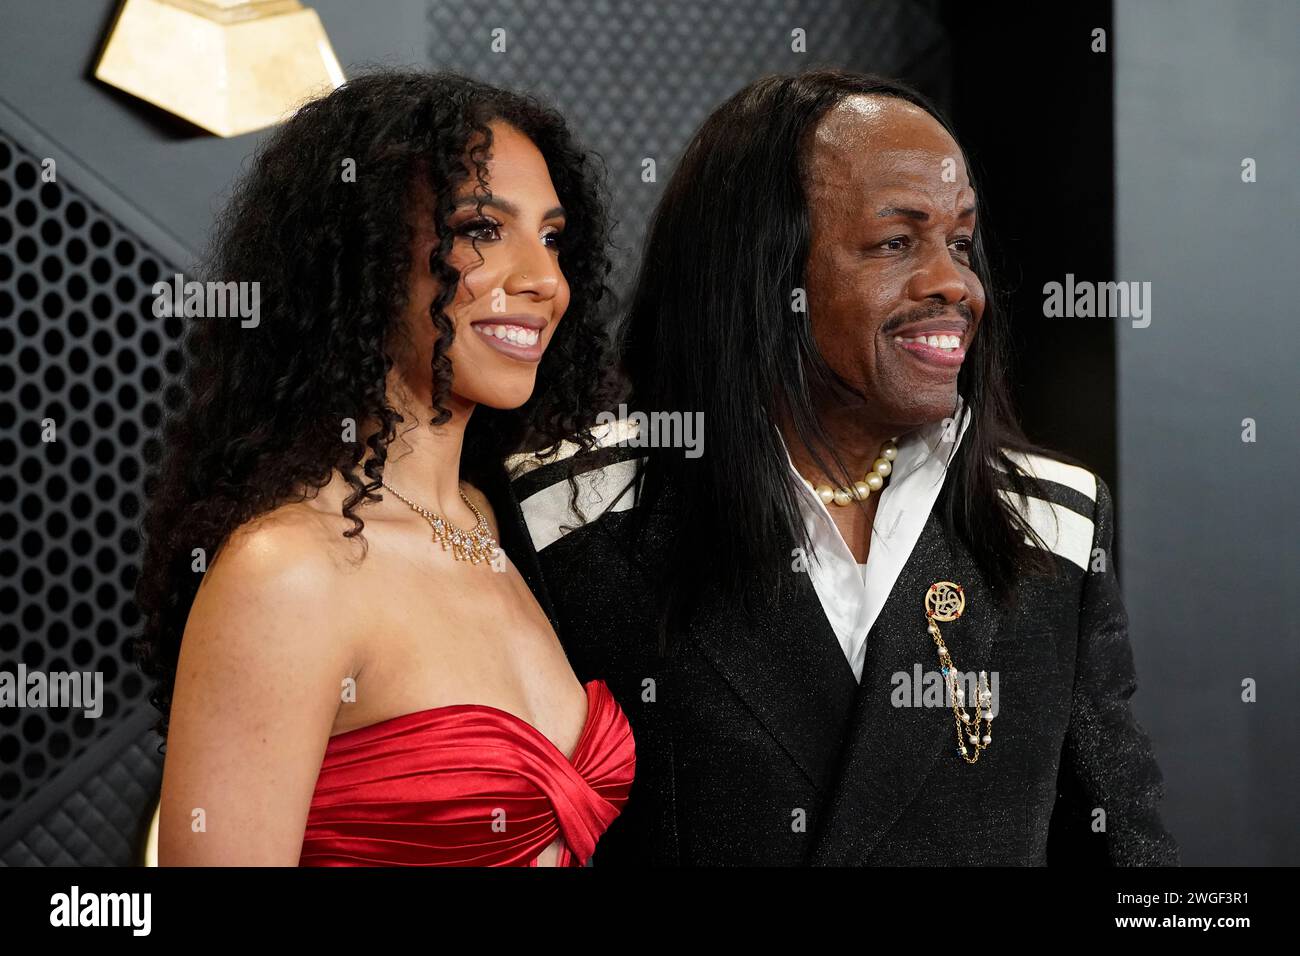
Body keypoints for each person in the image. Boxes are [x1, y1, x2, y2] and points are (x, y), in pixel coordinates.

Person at [501, 70, 1179, 865]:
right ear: (762, 271)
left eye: (960, 243)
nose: (953, 284)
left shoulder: (1054, 519)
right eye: (896, 243)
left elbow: (1128, 853)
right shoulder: (572, 512)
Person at [135, 70, 633, 866]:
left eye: (550, 236)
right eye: (480, 228)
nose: (544, 280)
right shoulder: (287, 569)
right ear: (361, 258)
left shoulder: (500, 522)